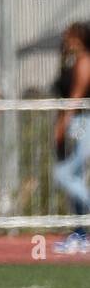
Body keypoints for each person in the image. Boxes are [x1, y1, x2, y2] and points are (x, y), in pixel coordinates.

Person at [52, 22, 90, 254]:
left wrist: (63, 123)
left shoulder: (85, 60)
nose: (65, 39)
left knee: (64, 174)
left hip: (82, 122)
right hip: (77, 123)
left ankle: (82, 228)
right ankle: (80, 233)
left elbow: (76, 95)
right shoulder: (70, 59)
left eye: (70, 35)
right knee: (73, 175)